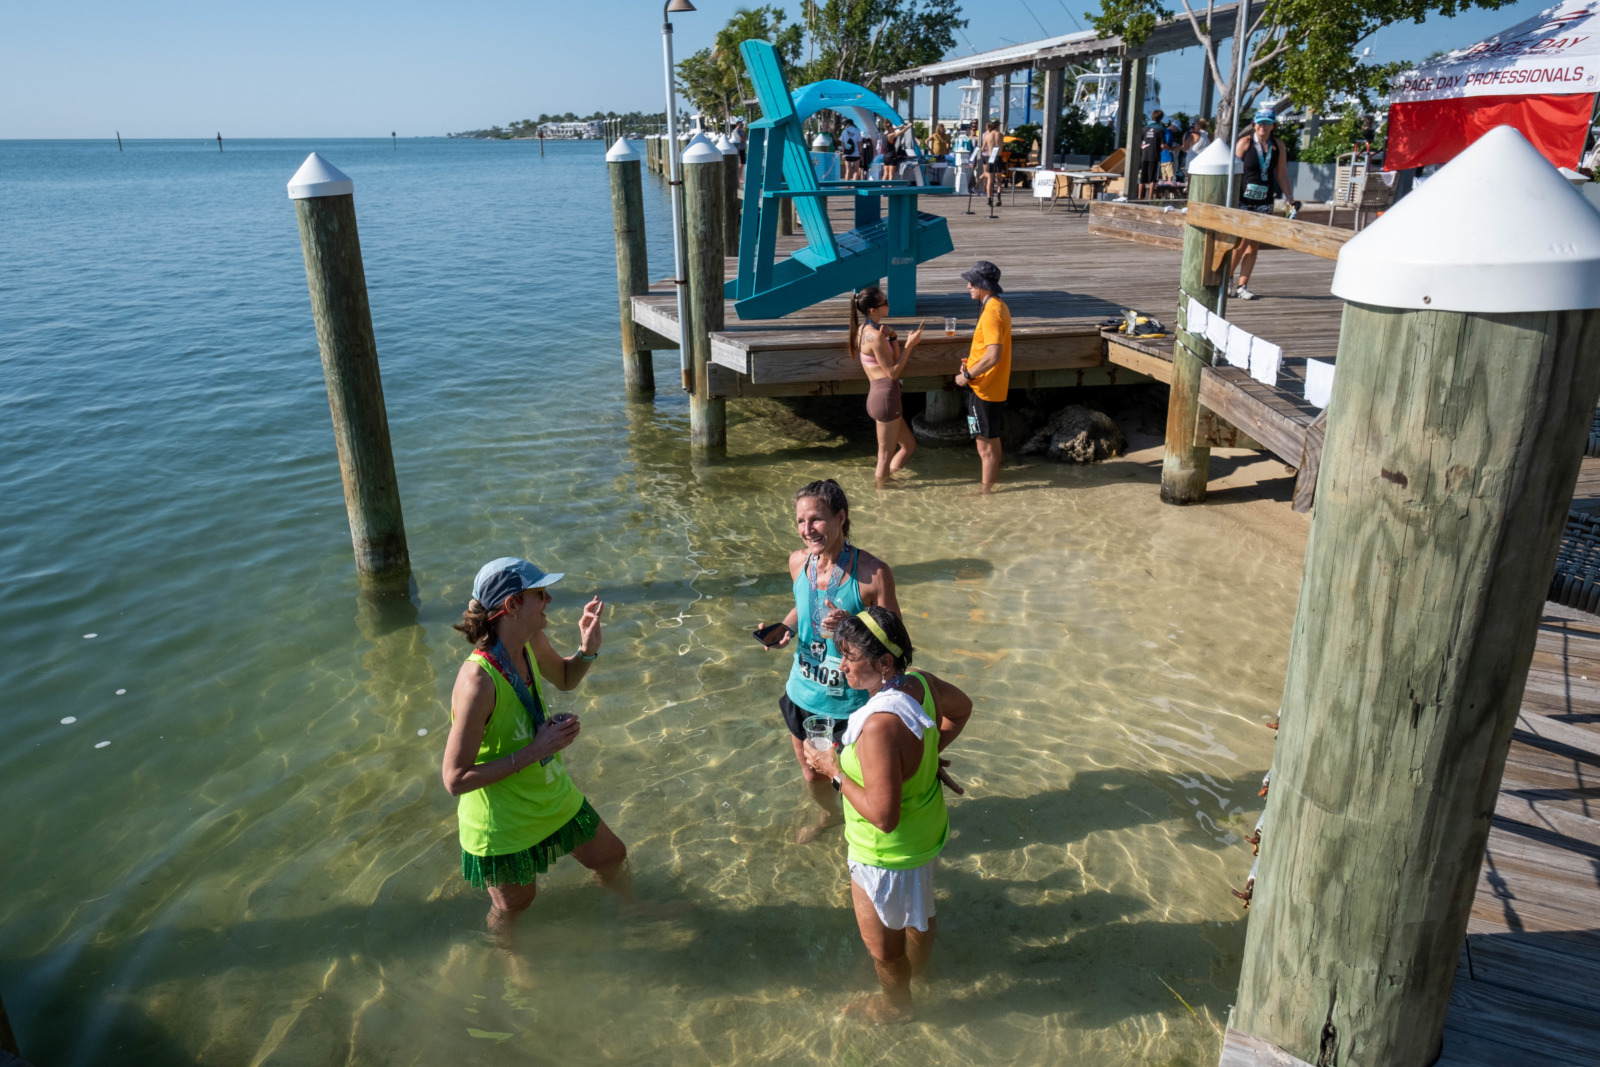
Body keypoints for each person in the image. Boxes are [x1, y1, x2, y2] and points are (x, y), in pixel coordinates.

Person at [442, 558, 634, 942]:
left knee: (612, 856)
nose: (549, 599)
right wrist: (535, 749)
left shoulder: (530, 641)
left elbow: (564, 677)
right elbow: (454, 779)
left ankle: (634, 911)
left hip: (549, 793)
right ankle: (510, 958)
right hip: (501, 821)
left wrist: (587, 650)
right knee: (515, 905)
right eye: (539, 594)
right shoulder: (477, 681)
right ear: (512, 606)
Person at [800, 607, 974, 1023]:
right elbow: (962, 709)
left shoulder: (878, 726)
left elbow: (882, 816)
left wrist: (834, 770)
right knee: (920, 913)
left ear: (883, 662)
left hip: (885, 855)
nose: (841, 667)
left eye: (849, 657)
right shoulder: (923, 685)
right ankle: (923, 972)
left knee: (883, 950)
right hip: (924, 837)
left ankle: (896, 1006)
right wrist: (928, 759)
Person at [757, 479, 900, 842]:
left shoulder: (873, 574)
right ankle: (829, 817)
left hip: (848, 705)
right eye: (801, 521)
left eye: (816, 520)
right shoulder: (797, 562)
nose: (807, 530)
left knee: (854, 780)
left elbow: (894, 645)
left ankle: (863, 833)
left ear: (841, 517)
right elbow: (803, 606)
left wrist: (851, 626)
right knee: (811, 774)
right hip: (801, 693)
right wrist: (784, 629)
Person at [850, 287, 921, 485]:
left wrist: (894, 338)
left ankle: (889, 481)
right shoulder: (875, 336)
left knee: (908, 445)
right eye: (885, 303)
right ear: (873, 310)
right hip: (887, 398)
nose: (889, 305)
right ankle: (881, 498)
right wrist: (910, 345)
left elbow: (892, 361)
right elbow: (892, 372)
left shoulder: (862, 331)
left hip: (877, 395)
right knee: (884, 456)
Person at [956, 260, 1011, 492]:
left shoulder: (991, 313)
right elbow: (988, 352)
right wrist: (971, 363)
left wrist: (967, 375)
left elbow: (993, 355)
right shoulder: (999, 306)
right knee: (992, 439)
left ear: (983, 285)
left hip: (983, 389)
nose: (968, 286)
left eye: (972, 282)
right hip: (992, 387)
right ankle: (992, 485)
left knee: (983, 447)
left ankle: (986, 494)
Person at [1230, 108, 1292, 301]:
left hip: (1264, 200)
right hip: (1243, 200)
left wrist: (1290, 198)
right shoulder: (1245, 143)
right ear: (1254, 124)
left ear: (1273, 125)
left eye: (1266, 123)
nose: (1262, 126)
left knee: (1253, 245)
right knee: (1240, 243)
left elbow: (1281, 173)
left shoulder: (1277, 146)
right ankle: (1225, 281)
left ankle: (1243, 285)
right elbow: (1231, 171)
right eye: (1259, 122)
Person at [1138, 108, 1166, 199]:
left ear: (1152, 117)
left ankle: (1139, 197)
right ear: (1161, 118)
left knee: (1142, 178)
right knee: (1153, 179)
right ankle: (1150, 198)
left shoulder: (1144, 129)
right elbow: (1162, 145)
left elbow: (1139, 143)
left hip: (1144, 156)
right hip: (1155, 156)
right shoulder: (1161, 130)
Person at [979, 120, 1004, 202]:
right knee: (999, 179)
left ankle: (989, 198)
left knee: (990, 179)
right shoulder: (1000, 135)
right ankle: (999, 197)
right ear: (997, 126)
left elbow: (983, 148)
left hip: (990, 157)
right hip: (998, 157)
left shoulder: (987, 135)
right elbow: (1002, 146)